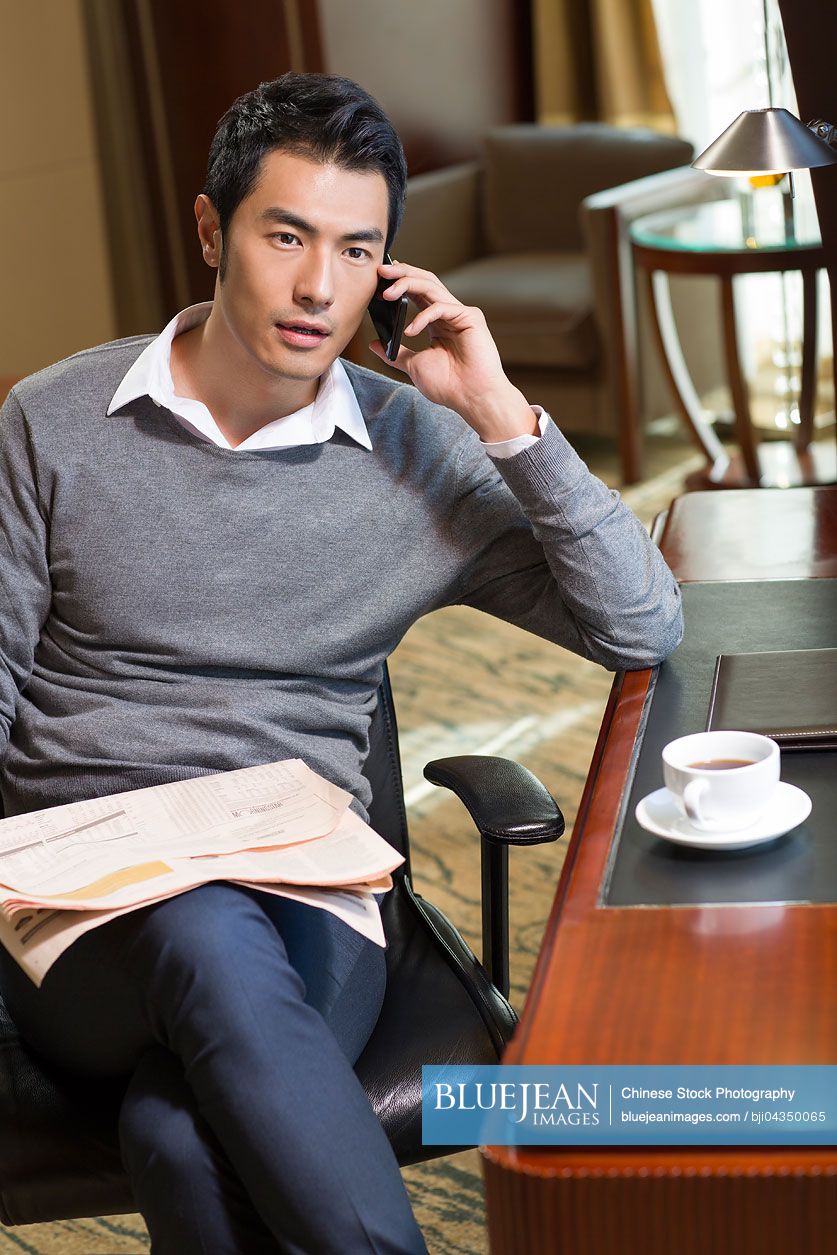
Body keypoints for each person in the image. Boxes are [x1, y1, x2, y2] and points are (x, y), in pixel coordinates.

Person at [0, 72, 683, 1253]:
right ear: (213, 231)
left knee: (176, 1131)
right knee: (197, 933)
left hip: (306, 897)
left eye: (357, 250)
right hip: (86, 910)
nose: (320, 285)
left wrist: (505, 417)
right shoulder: (51, 423)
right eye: (286, 236)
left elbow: (641, 624)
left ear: (389, 273)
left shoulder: (415, 454)